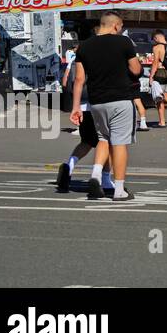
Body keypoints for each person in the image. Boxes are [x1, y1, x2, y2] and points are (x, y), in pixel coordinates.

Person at [68, 11, 141, 202]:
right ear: (116, 26)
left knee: (103, 138)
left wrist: (75, 107)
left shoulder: (84, 46)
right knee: (119, 144)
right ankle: (118, 189)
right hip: (120, 99)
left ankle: (97, 175)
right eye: (121, 26)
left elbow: (79, 79)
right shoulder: (123, 42)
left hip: (97, 102)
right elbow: (136, 69)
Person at [55, 41, 113, 195]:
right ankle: (105, 179)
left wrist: (74, 105)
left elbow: (69, 80)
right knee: (106, 141)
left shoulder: (75, 61)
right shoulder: (99, 60)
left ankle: (70, 165)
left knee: (86, 141)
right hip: (98, 104)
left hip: (82, 105)